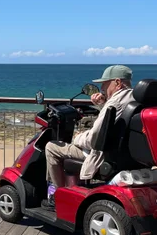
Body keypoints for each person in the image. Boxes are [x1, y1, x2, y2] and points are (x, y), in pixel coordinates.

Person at [44, 65, 135, 208]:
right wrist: (102, 105)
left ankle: (59, 196)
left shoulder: (114, 102)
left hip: (101, 154)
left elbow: (94, 139)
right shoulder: (135, 99)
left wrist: (77, 137)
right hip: (124, 153)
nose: (102, 89)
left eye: (105, 84)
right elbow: (115, 123)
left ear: (117, 83)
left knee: (51, 147)